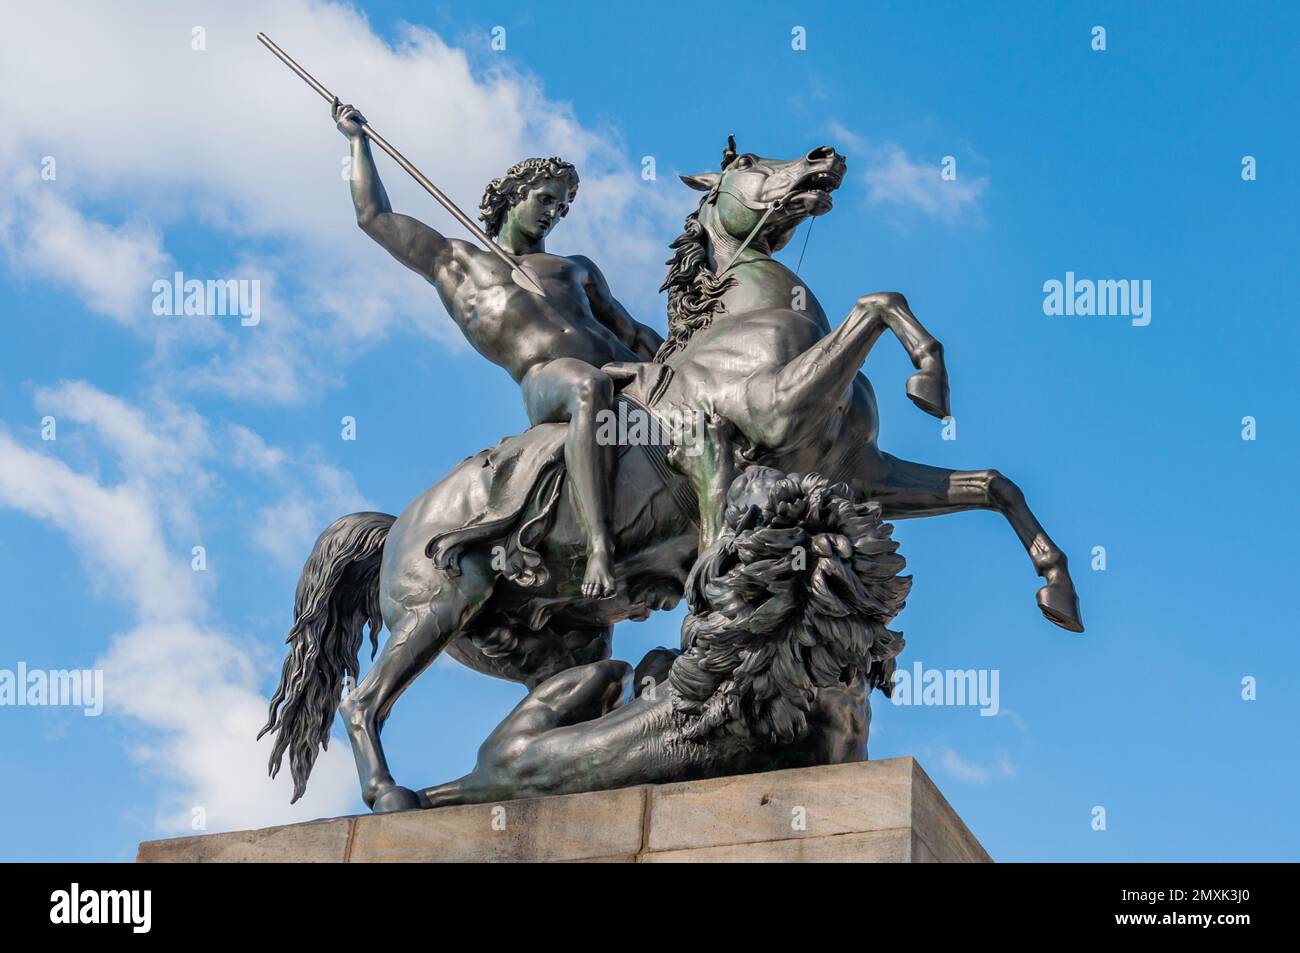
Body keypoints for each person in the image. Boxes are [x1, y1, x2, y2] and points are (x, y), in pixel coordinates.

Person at [334, 100, 662, 598]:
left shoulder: (576, 267)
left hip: (628, 368)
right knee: (588, 386)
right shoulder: (457, 261)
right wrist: (357, 141)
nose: (554, 213)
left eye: (562, 207)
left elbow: (633, 331)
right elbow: (375, 217)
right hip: (552, 379)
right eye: (546, 199)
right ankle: (599, 544)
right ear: (514, 195)